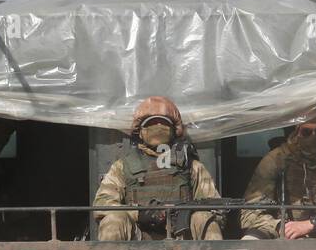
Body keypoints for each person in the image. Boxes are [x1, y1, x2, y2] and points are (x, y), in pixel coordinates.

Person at [94, 96, 224, 241]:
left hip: (183, 237)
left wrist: (184, 213)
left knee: (205, 219)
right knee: (112, 221)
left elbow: (215, 207)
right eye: (151, 123)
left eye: (163, 123)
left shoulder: (191, 166)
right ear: (141, 131)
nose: (157, 126)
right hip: (138, 237)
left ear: (174, 130)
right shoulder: (123, 166)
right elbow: (102, 205)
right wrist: (141, 214)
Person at [240, 112, 316, 240]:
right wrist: (280, 226)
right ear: (297, 132)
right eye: (306, 132)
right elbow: (250, 213)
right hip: (283, 233)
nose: (313, 137)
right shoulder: (276, 160)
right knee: (251, 240)